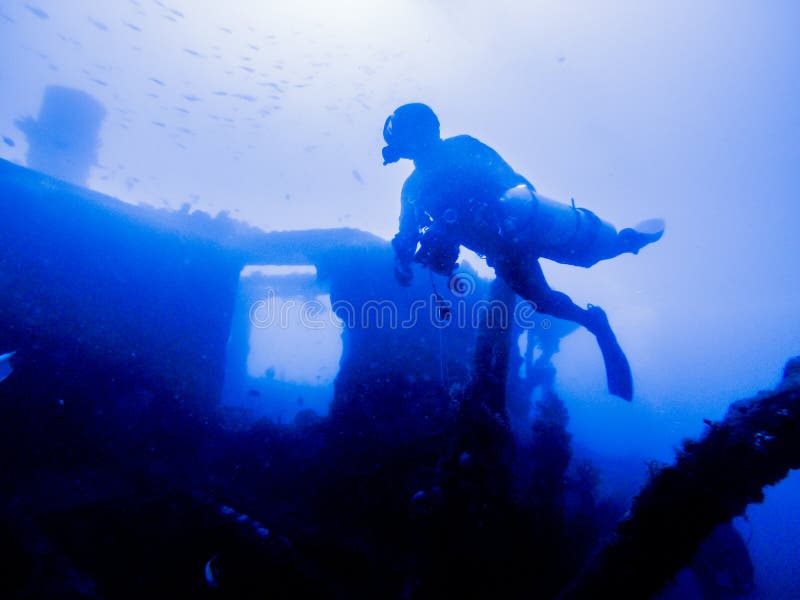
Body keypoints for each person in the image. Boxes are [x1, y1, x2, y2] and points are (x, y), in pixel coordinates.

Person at [382, 103, 664, 400]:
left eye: (404, 134)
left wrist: (496, 212)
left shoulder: (456, 151)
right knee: (544, 299)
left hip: (523, 226)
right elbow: (407, 235)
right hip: (505, 249)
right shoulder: (414, 188)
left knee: (583, 261)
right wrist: (404, 256)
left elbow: (508, 178)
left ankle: (625, 246)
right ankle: (596, 320)